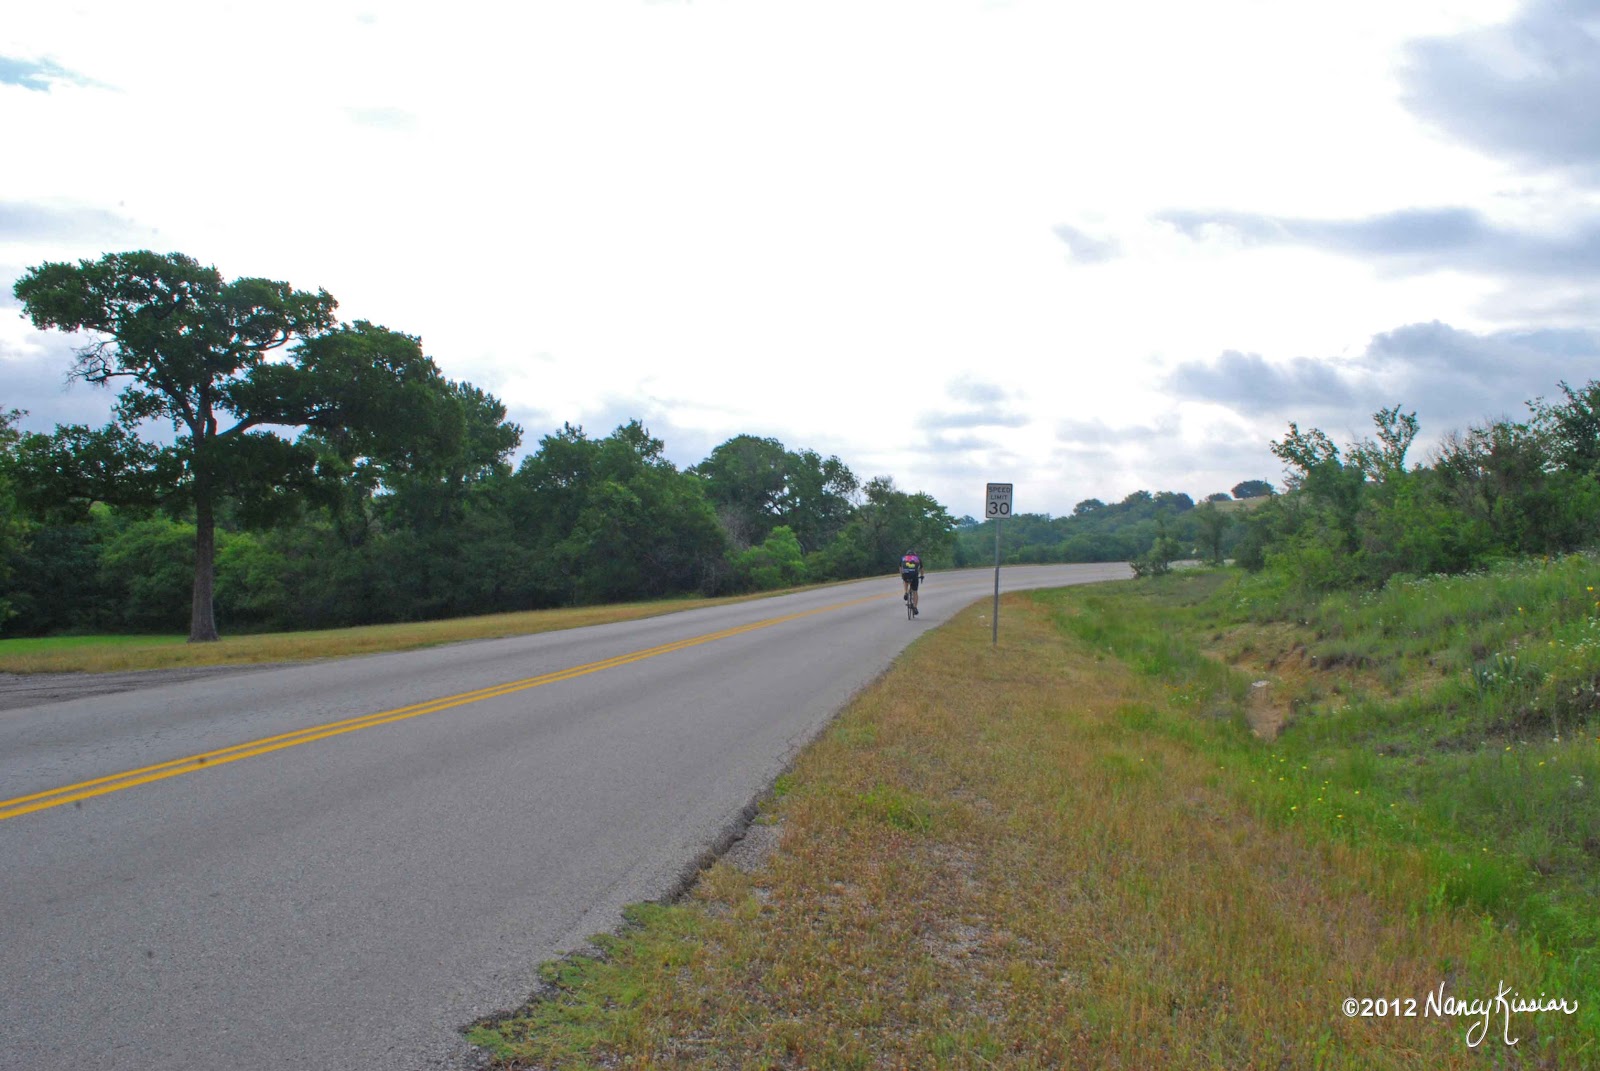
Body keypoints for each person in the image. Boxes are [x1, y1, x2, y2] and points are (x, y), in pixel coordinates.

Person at [900, 549, 924, 616]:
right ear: (914, 554)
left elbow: (900, 567)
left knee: (905, 581)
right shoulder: (918, 558)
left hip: (906, 574)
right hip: (914, 576)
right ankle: (915, 608)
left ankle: (906, 592)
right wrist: (922, 576)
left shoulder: (903, 558)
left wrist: (902, 575)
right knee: (915, 591)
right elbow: (921, 569)